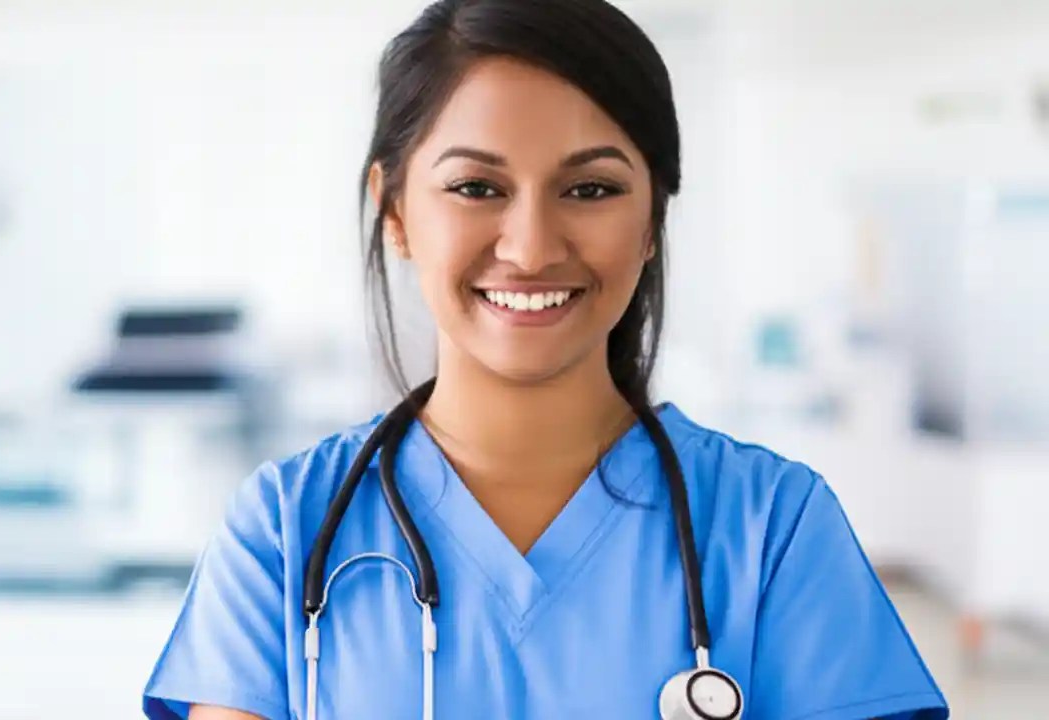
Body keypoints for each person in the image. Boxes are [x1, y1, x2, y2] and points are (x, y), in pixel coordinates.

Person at [142, 1, 949, 718]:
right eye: (476, 188)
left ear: (652, 221)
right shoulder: (286, 534)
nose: (530, 248)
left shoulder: (772, 528)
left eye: (591, 189)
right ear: (394, 211)